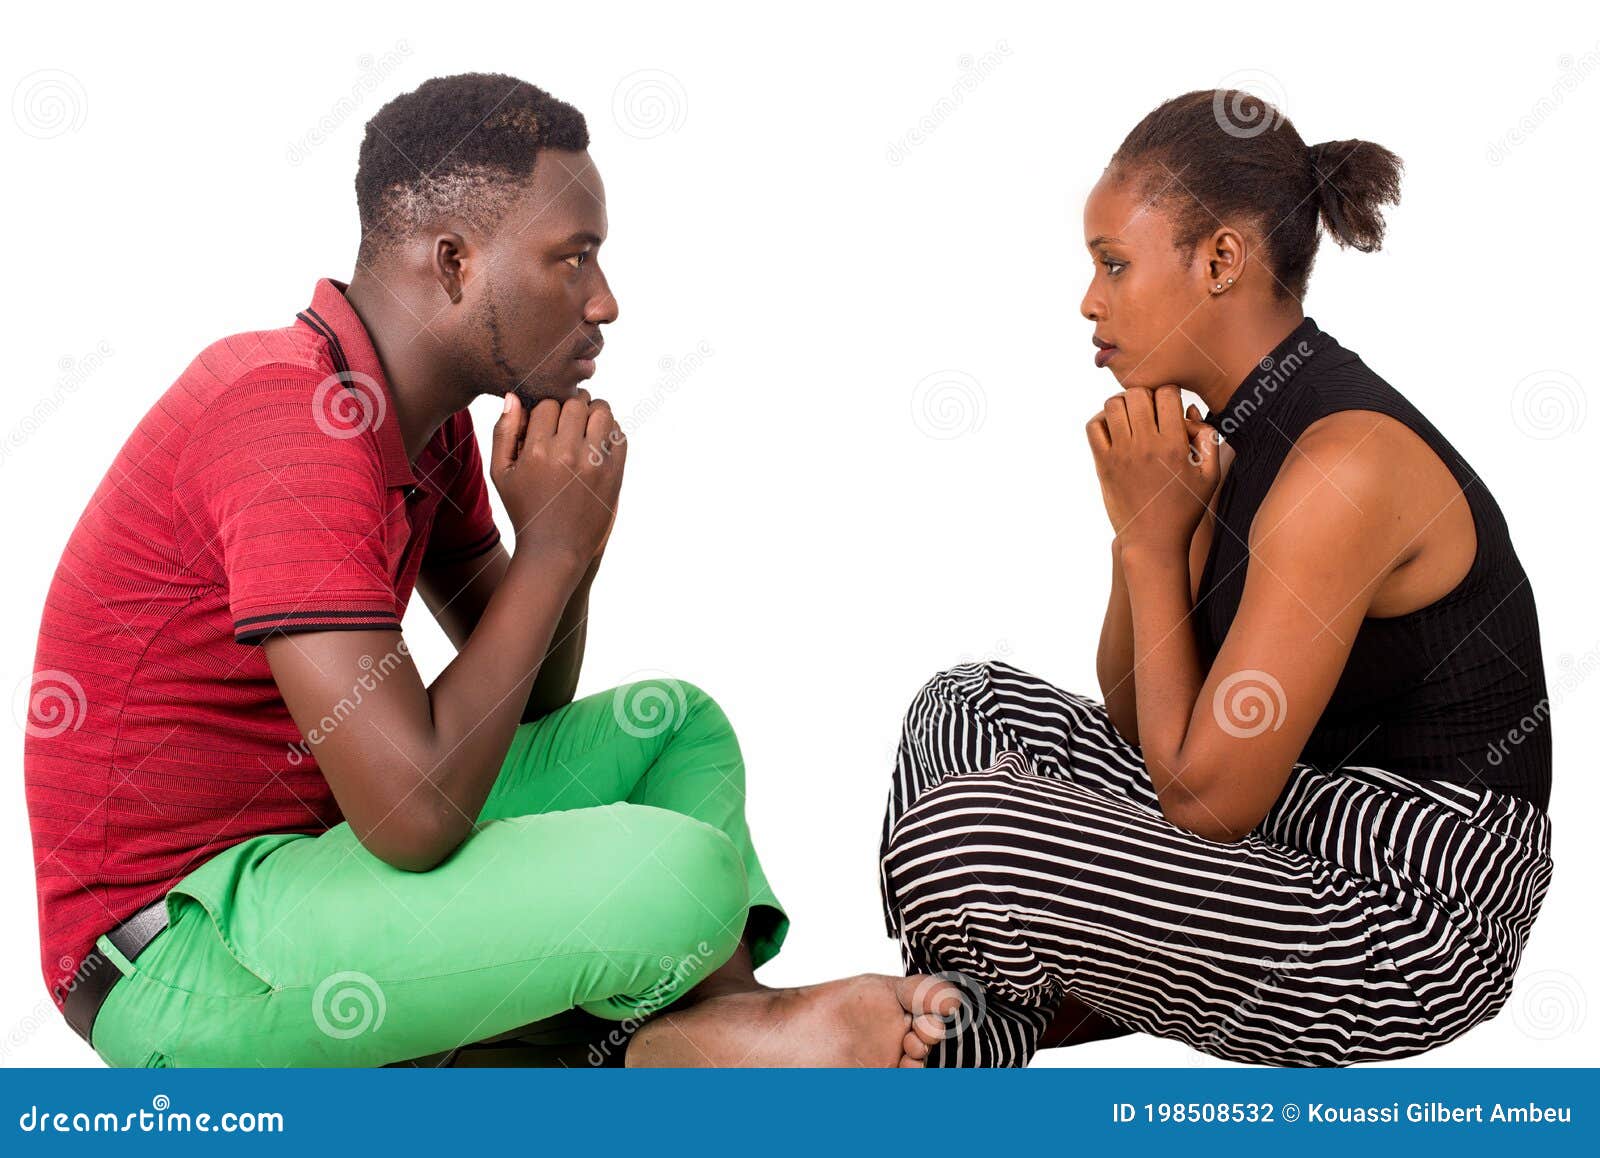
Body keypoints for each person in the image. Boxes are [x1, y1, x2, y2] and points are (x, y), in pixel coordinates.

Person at [24, 72, 959, 1069]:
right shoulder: (290, 420)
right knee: (680, 873)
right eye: (572, 259)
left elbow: (533, 697)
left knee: (675, 728)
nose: (604, 301)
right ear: (455, 262)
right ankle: (669, 1045)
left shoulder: (419, 429)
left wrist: (570, 551)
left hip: (317, 871)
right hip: (179, 956)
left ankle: (722, 1025)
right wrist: (552, 550)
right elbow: (413, 819)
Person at [879, 89, 1555, 1067]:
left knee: (970, 831)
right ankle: (972, 1031)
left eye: (1112, 263)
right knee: (966, 704)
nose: (1087, 300)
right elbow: (1134, 720)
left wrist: (1155, 545)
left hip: (1414, 911)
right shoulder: (1228, 427)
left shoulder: (1342, 463)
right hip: (1296, 815)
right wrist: (1144, 533)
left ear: (1220, 261)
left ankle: (940, 1039)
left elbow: (1206, 805)